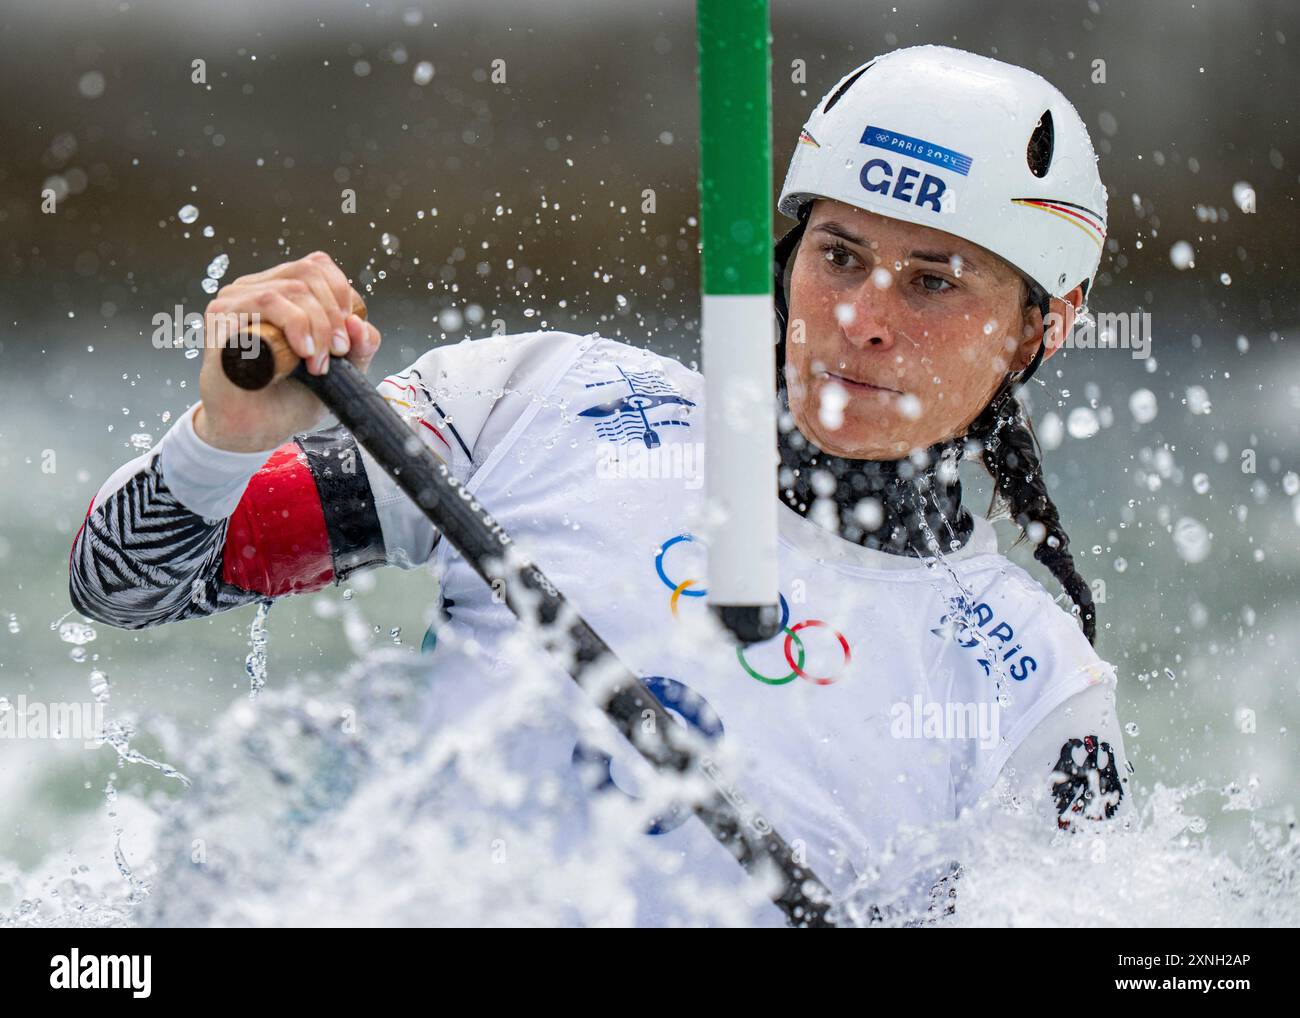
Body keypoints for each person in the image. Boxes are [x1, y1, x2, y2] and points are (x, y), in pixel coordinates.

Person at [69, 45, 1133, 926]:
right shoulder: (538, 402)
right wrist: (222, 438)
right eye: (839, 256)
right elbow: (125, 583)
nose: (860, 316)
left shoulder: (1036, 683)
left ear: (1049, 323)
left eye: (932, 280)